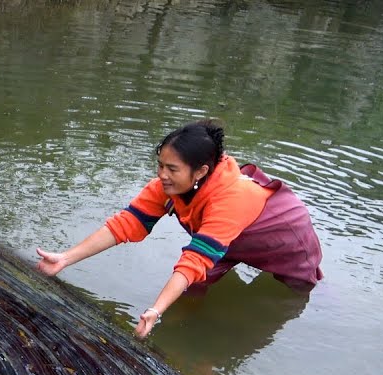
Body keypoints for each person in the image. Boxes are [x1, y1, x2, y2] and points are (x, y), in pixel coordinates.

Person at [35, 119, 324, 338]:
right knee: (192, 285)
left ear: (200, 172)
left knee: (291, 295)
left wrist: (156, 308)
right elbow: (126, 224)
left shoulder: (231, 200)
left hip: (282, 236)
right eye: (160, 165)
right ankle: (181, 329)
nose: (162, 176)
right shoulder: (167, 186)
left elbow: (194, 259)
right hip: (225, 236)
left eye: (172, 169)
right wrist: (65, 258)